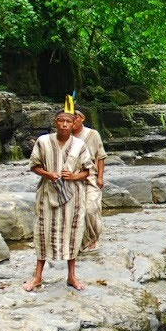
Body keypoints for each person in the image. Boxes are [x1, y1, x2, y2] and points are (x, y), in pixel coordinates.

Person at [23, 99, 93, 292]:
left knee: (73, 232)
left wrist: (73, 176)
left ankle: (71, 276)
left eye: (68, 122)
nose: (64, 125)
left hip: (73, 196)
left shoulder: (80, 145)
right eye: (61, 121)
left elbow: (88, 171)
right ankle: (37, 277)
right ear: (55, 122)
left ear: (74, 124)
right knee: (43, 232)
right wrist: (48, 174)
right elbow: (34, 166)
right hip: (47, 194)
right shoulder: (43, 141)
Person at [70, 108, 106, 251]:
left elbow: (101, 156)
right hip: (72, 178)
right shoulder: (66, 137)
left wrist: (100, 177)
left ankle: (94, 237)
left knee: (91, 209)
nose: (72, 121)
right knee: (77, 211)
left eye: (75, 117)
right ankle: (82, 241)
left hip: (91, 176)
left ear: (82, 118)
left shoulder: (92, 134)